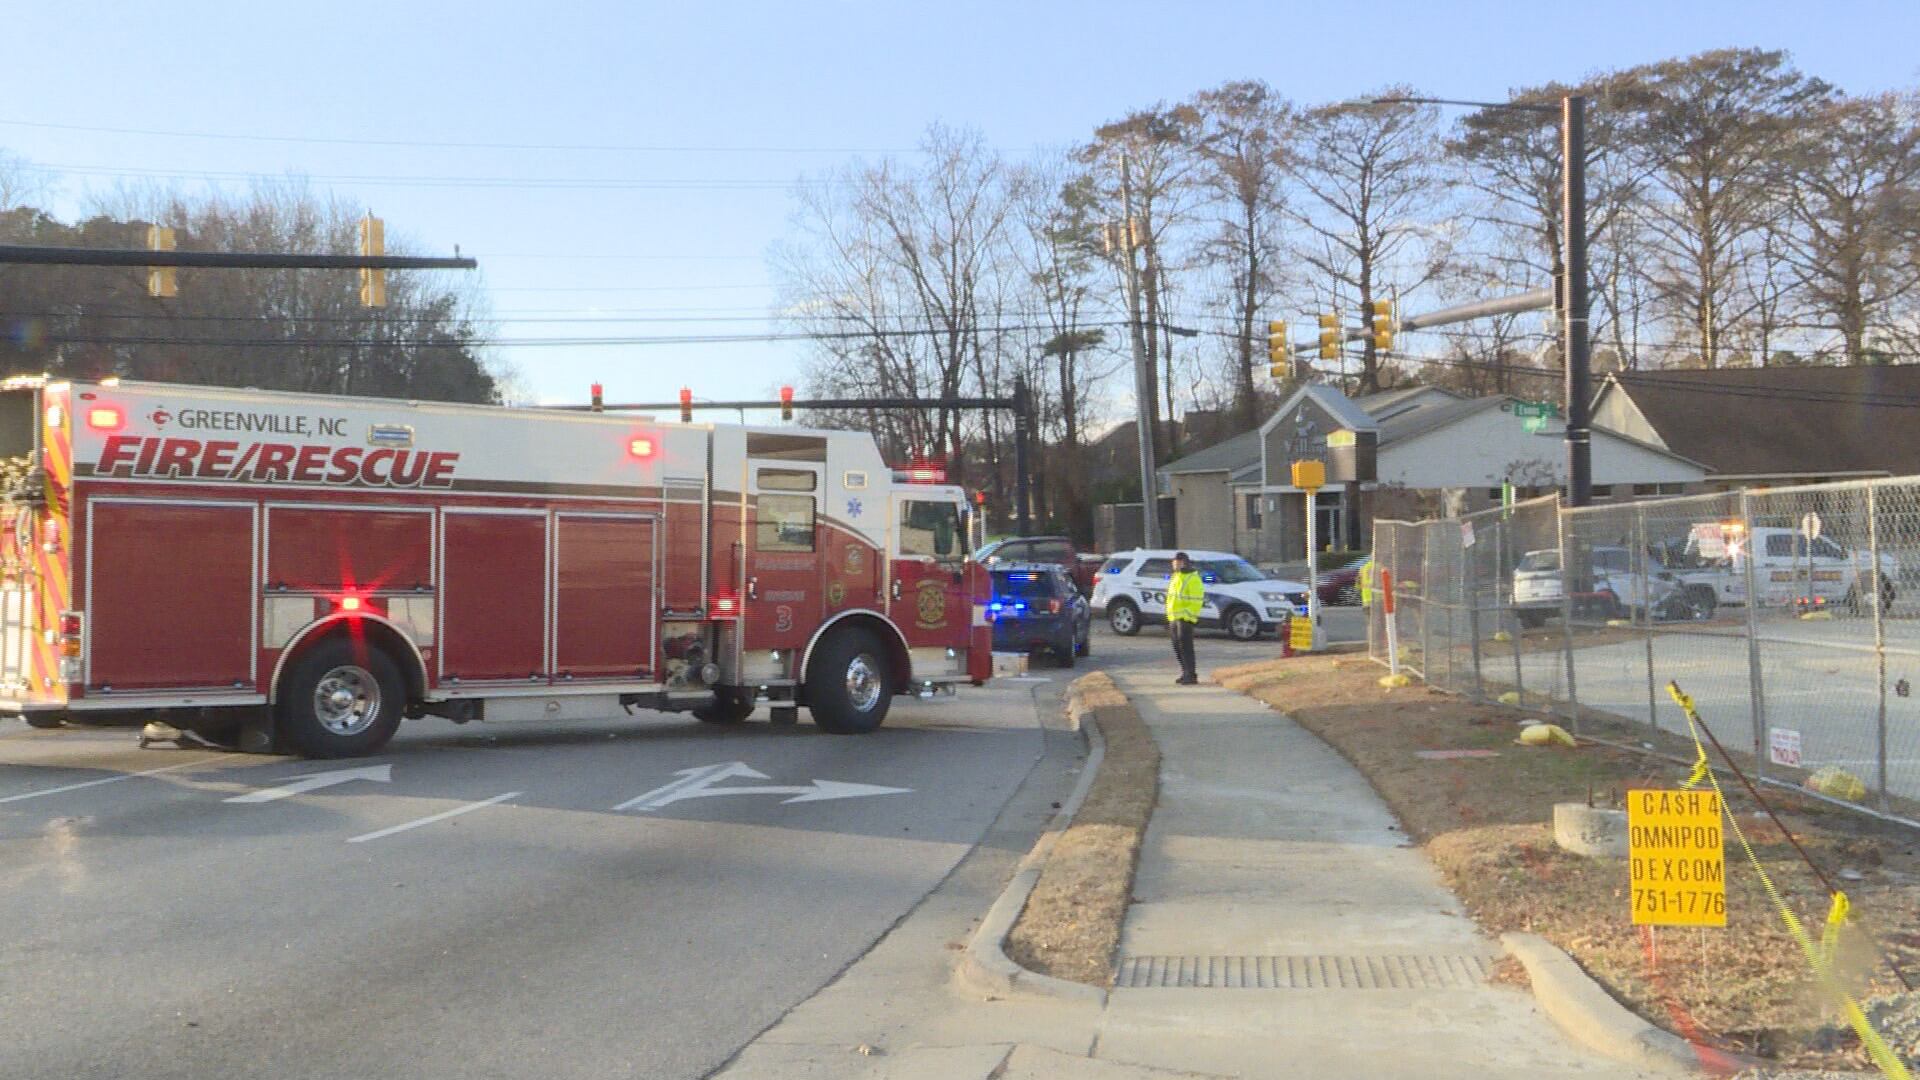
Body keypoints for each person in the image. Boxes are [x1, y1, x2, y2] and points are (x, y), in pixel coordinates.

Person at [1166, 551, 1205, 685]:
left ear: (1183, 562)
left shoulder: (1192, 578)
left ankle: (1191, 675)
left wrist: (1188, 616)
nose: (1174, 564)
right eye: (1173, 562)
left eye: (1176, 562)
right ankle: (1185, 672)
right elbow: (1172, 597)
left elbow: (1196, 600)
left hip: (1185, 618)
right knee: (1177, 647)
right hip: (1174, 616)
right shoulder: (1176, 576)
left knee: (1186, 647)